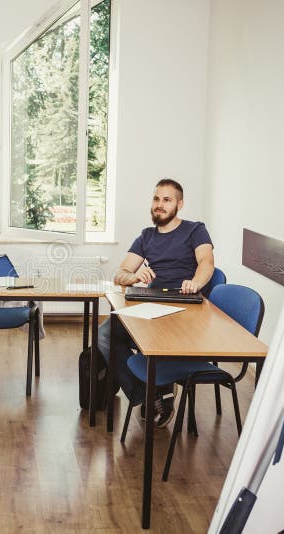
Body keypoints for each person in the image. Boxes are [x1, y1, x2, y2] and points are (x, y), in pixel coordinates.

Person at [98, 178, 215, 426]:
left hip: (183, 304)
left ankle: (158, 385)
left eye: (167, 200)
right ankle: (146, 392)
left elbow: (207, 262)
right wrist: (134, 275)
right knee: (104, 335)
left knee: (152, 340)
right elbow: (120, 273)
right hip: (150, 302)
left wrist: (195, 282)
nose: (159, 205)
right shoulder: (146, 236)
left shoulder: (195, 230)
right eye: (156, 199)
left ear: (179, 204)